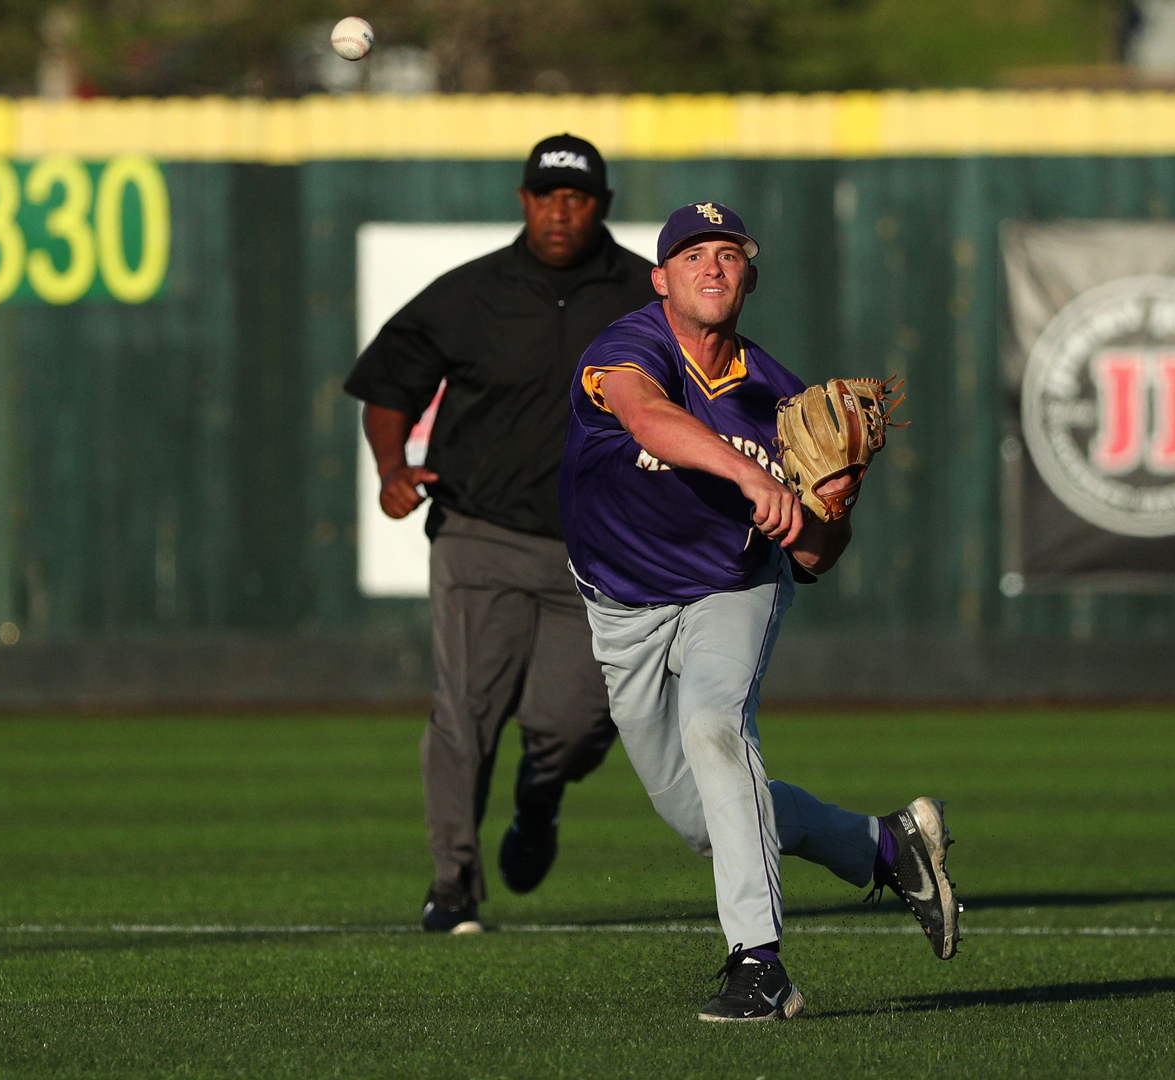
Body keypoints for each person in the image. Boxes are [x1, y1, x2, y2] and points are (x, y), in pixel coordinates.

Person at [559, 202, 961, 1022]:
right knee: (701, 816)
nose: (712, 266)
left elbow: (813, 558)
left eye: (728, 254)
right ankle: (884, 846)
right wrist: (753, 478)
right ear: (661, 279)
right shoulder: (628, 348)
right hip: (621, 603)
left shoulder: (780, 397)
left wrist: (836, 504)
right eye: (692, 254)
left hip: (728, 587)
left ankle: (760, 966)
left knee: (716, 730)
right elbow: (646, 418)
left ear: (749, 276)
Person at [344, 134, 657, 934]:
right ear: (523, 201)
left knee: (578, 726)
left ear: (603, 206)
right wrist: (391, 465)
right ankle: (452, 886)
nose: (560, 210)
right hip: (478, 533)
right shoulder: (472, 292)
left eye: (577, 196)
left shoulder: (642, 295)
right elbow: (389, 383)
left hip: (598, 547)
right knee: (465, 714)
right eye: (546, 194)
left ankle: (540, 797)